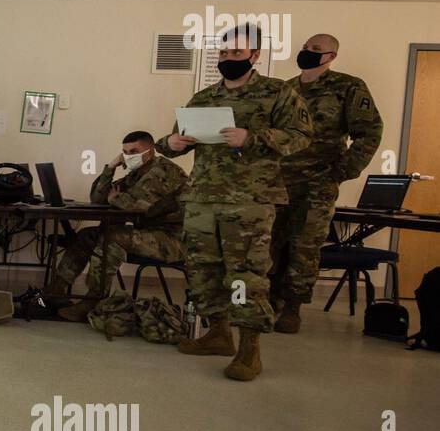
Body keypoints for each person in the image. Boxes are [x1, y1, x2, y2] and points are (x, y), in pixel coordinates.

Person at [157, 24, 312, 381]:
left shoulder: (278, 93)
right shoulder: (204, 97)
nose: (228, 59)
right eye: (223, 54)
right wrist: (172, 142)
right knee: (202, 269)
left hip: (249, 201)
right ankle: (217, 333)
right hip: (202, 198)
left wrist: (253, 137)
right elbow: (172, 141)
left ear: (255, 55)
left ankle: (249, 349)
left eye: (236, 54)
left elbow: (302, 137)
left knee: (245, 276)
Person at [269, 34, 382, 333]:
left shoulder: (348, 86)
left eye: (315, 49)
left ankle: (292, 308)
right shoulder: (287, 89)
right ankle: (269, 302)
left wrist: (342, 170)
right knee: (270, 243)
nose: (307, 52)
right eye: (306, 47)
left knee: (304, 245)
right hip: (280, 180)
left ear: (331, 56)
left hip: (318, 181)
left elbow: (369, 132)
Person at [47, 131, 187, 322]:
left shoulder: (163, 171)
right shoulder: (136, 174)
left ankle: (93, 300)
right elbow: (98, 199)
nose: (129, 156)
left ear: (150, 151)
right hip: (149, 232)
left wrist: (118, 198)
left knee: (113, 237)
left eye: (134, 151)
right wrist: (111, 167)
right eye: (125, 152)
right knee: (87, 235)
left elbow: (140, 206)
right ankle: (56, 291)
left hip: (172, 238)